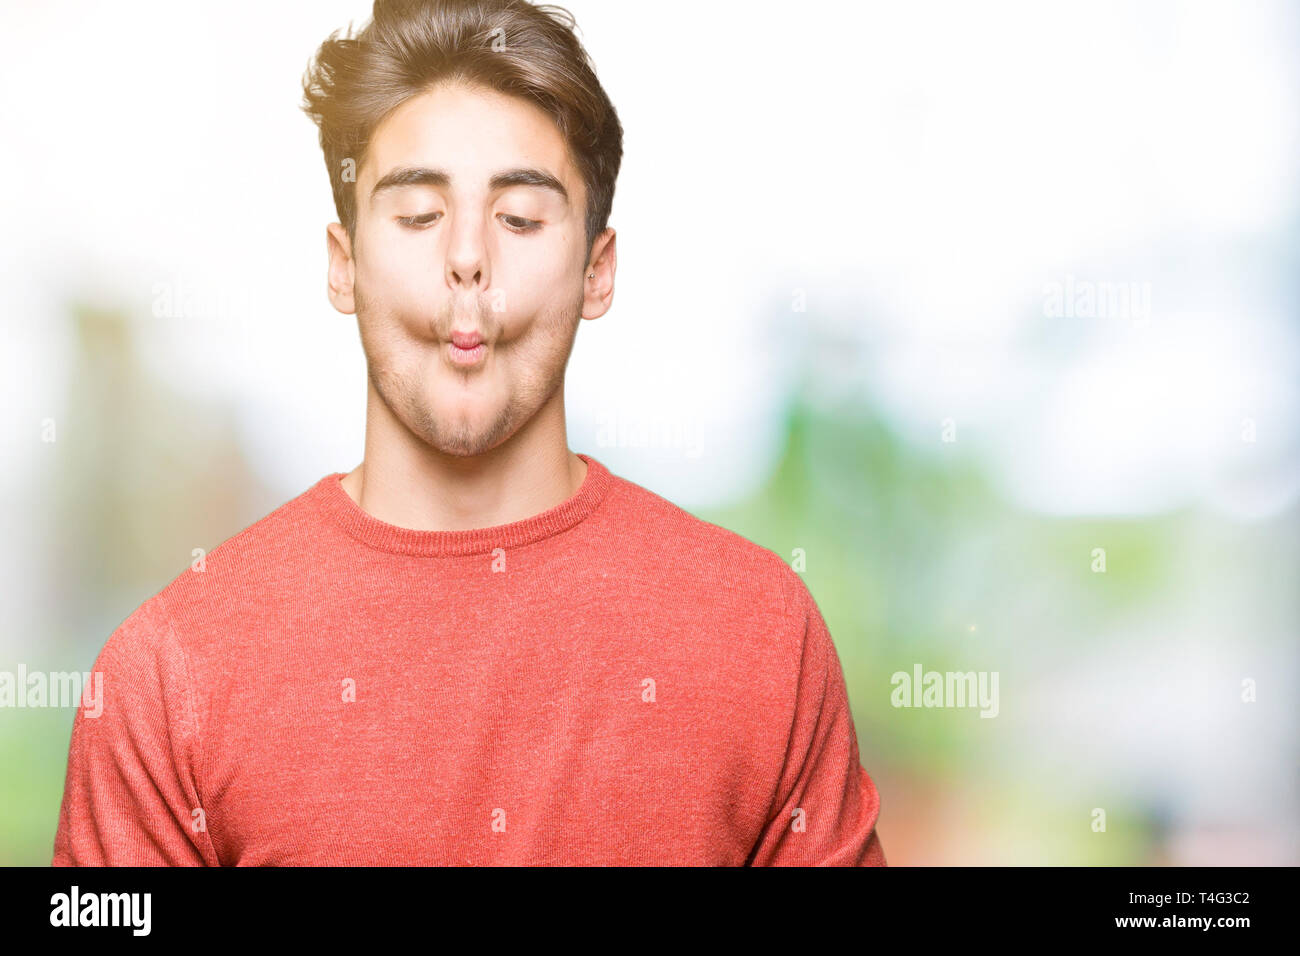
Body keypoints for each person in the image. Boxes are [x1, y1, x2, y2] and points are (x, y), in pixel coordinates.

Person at [51, 0, 886, 866]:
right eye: (417, 215)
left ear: (598, 271)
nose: (467, 258)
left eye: (520, 218)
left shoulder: (759, 636)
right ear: (344, 264)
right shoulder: (168, 672)